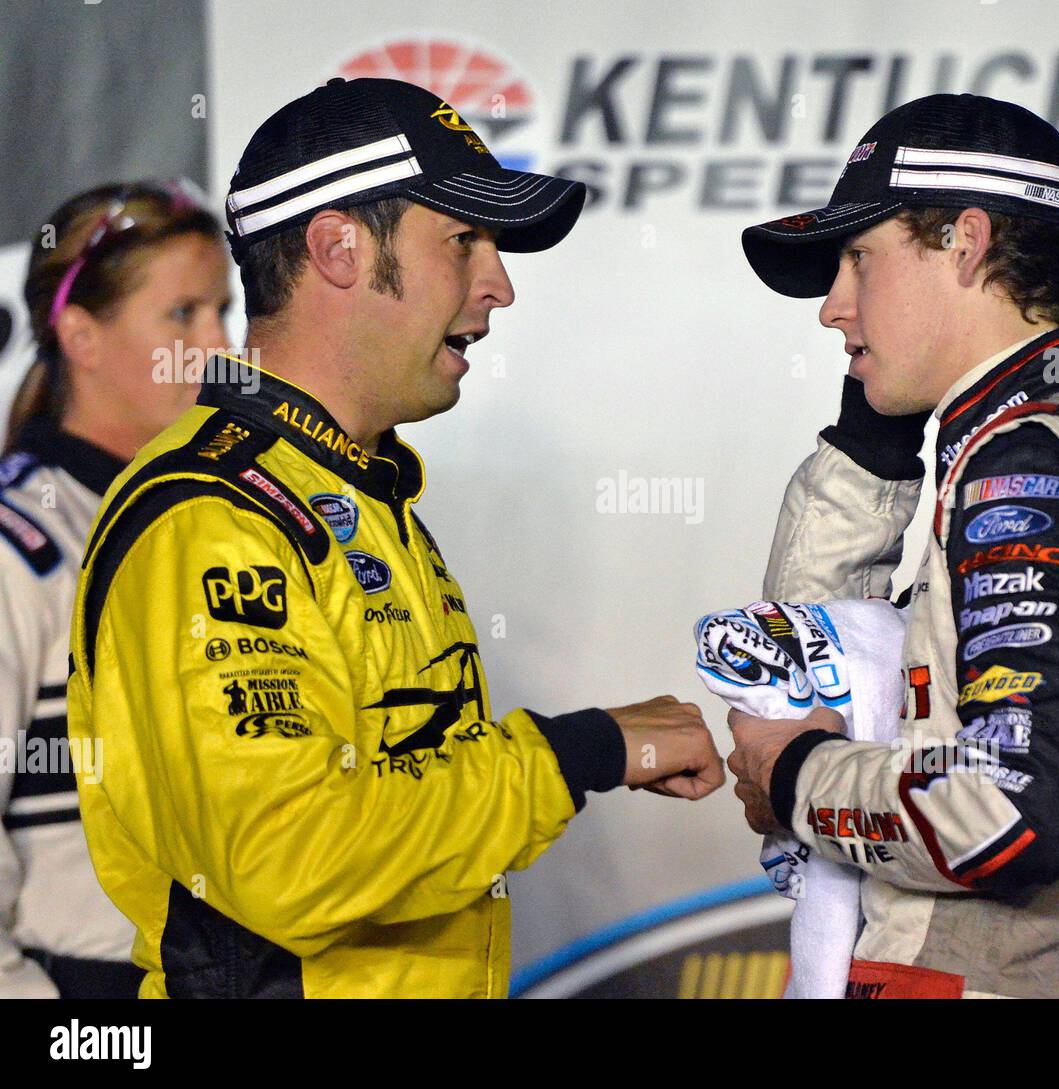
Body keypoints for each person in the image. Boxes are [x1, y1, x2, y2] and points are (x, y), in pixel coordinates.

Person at [66, 77, 724, 999]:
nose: (498, 285)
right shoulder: (214, 517)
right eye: (464, 240)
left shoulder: (359, 495)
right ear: (339, 248)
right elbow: (293, 853)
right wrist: (577, 752)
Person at [726, 93, 1059, 999]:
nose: (833, 307)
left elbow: (1005, 813)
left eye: (857, 257)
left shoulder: (1031, 464)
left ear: (964, 241)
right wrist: (873, 443)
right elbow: (819, 661)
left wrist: (792, 772)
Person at [1, 180, 231, 997]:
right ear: (81, 336)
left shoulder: (214, 520)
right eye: (183, 315)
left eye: (223, 311)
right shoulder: (15, 545)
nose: (219, 344)